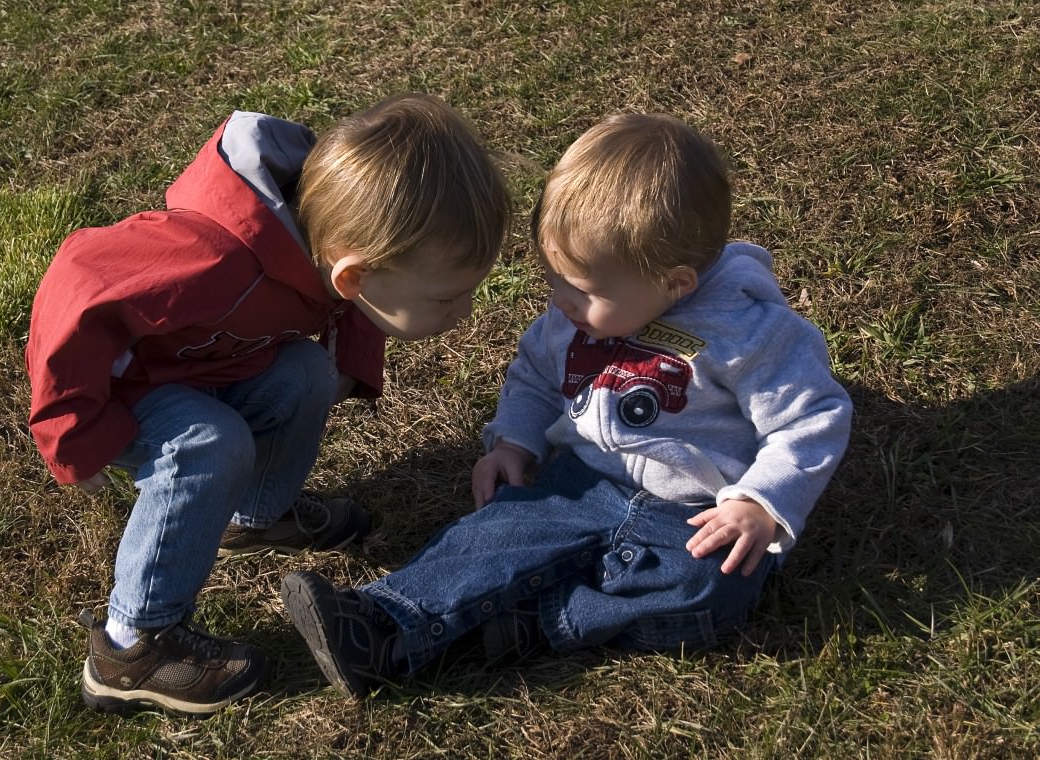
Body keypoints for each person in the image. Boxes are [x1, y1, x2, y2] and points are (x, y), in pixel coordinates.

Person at [280, 112, 853, 699]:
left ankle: (534, 623)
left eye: (582, 290)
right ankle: (379, 622)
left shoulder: (750, 332)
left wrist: (761, 503)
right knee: (498, 533)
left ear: (676, 283)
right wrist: (514, 441)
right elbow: (534, 377)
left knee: (712, 584)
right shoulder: (572, 317)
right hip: (580, 484)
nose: (561, 302)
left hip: (695, 513)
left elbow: (811, 420)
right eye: (556, 279)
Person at [25, 94, 511, 716]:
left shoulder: (326, 239)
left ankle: (254, 516)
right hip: (126, 392)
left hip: (205, 369)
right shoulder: (209, 257)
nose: (462, 314)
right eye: (448, 299)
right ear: (353, 274)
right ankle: (131, 645)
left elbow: (349, 306)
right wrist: (72, 429)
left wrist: (350, 361)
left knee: (307, 370)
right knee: (209, 442)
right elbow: (79, 285)